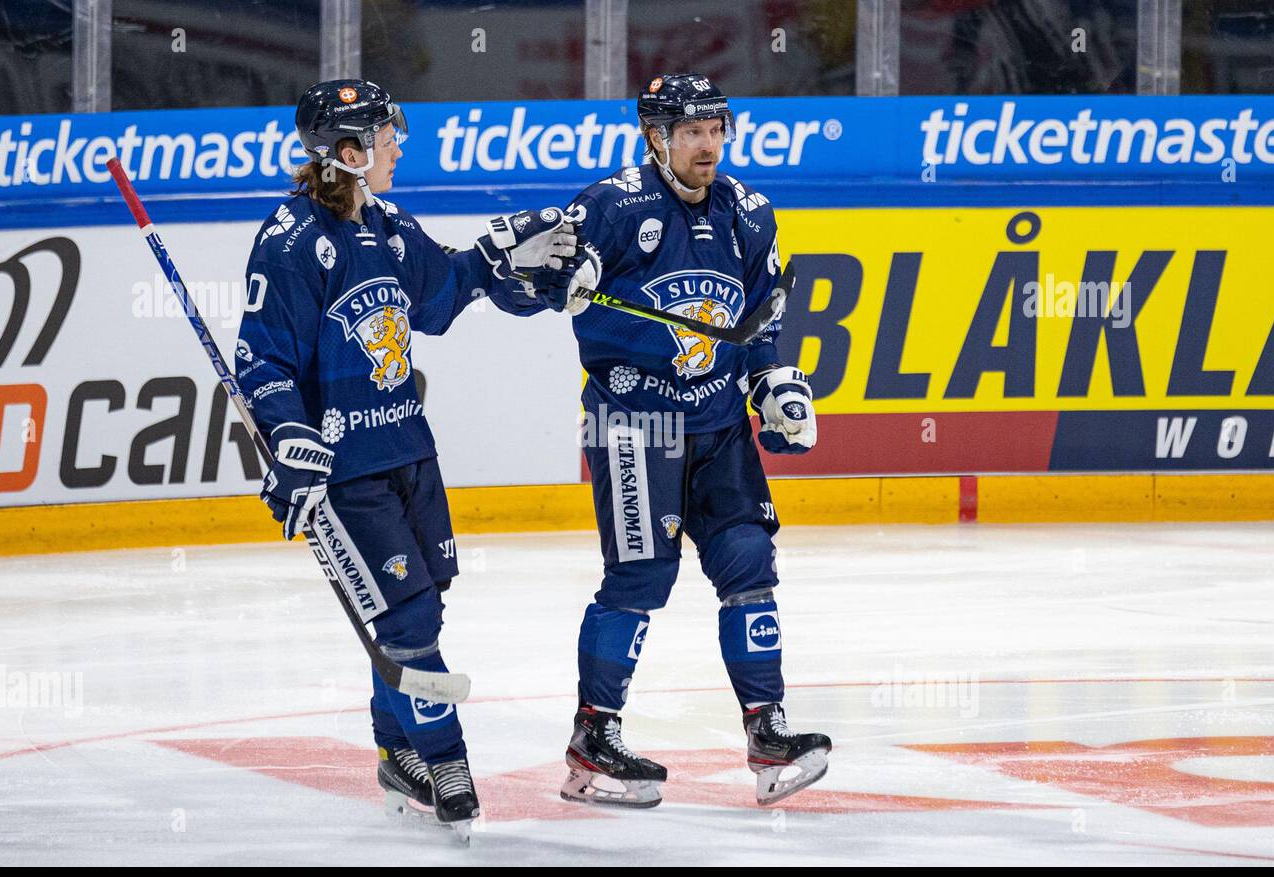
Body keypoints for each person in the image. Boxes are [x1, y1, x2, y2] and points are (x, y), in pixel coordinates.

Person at [235, 79, 577, 838]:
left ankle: (395, 752)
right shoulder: (292, 242)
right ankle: (445, 761)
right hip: (349, 474)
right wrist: (290, 439)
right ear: (349, 154)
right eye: (385, 137)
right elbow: (259, 360)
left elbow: (440, 297)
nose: (399, 145)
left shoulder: (386, 225)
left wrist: (495, 256)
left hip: (410, 453)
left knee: (415, 610)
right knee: (410, 620)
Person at [522, 73, 833, 808]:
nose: (708, 146)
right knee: (639, 581)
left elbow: (758, 324)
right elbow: (536, 275)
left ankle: (766, 731)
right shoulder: (609, 205)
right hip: (634, 425)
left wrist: (774, 383)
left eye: (716, 129)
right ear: (656, 136)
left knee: (749, 563)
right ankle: (593, 739)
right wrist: (550, 279)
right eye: (692, 132)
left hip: (718, 426)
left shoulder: (748, 213)